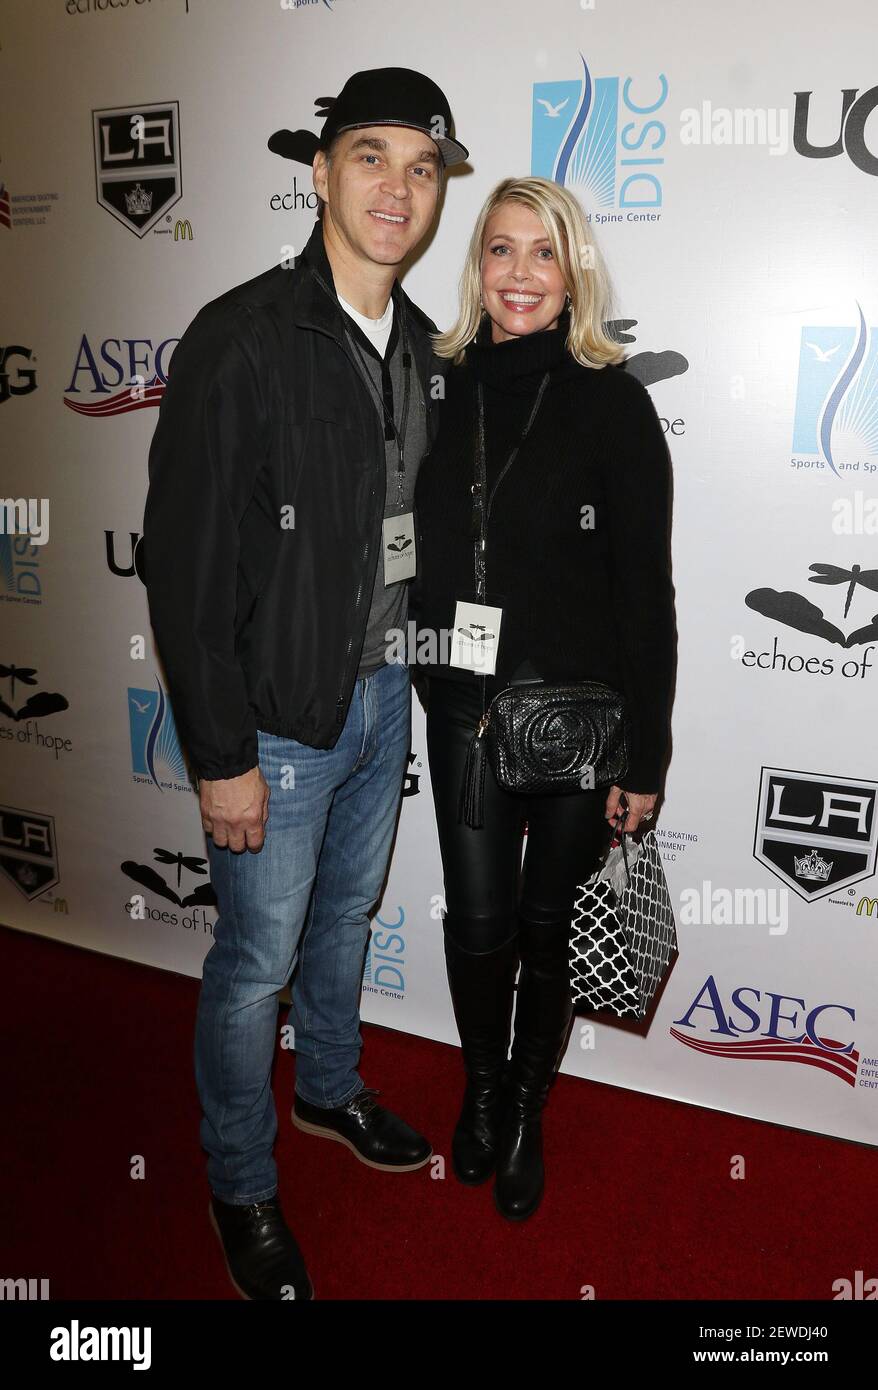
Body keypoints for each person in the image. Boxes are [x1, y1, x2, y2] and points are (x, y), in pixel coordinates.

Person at [142, 68, 468, 1300]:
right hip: (274, 723)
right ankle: (240, 1180)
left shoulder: (431, 351)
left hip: (383, 700)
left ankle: (328, 1090)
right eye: (370, 157)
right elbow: (182, 568)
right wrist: (220, 752)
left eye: (422, 166)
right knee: (253, 958)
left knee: (343, 921)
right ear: (320, 172)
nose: (397, 188)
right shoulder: (242, 337)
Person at [412, 175, 676, 1222]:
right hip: (464, 710)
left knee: (545, 923)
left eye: (541, 252)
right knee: (476, 924)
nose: (517, 273)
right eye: (498, 249)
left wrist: (645, 757)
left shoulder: (611, 398)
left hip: (576, 719)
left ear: (571, 275)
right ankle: (478, 1085)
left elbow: (641, 590)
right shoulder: (434, 385)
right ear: (475, 266)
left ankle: (525, 1104)